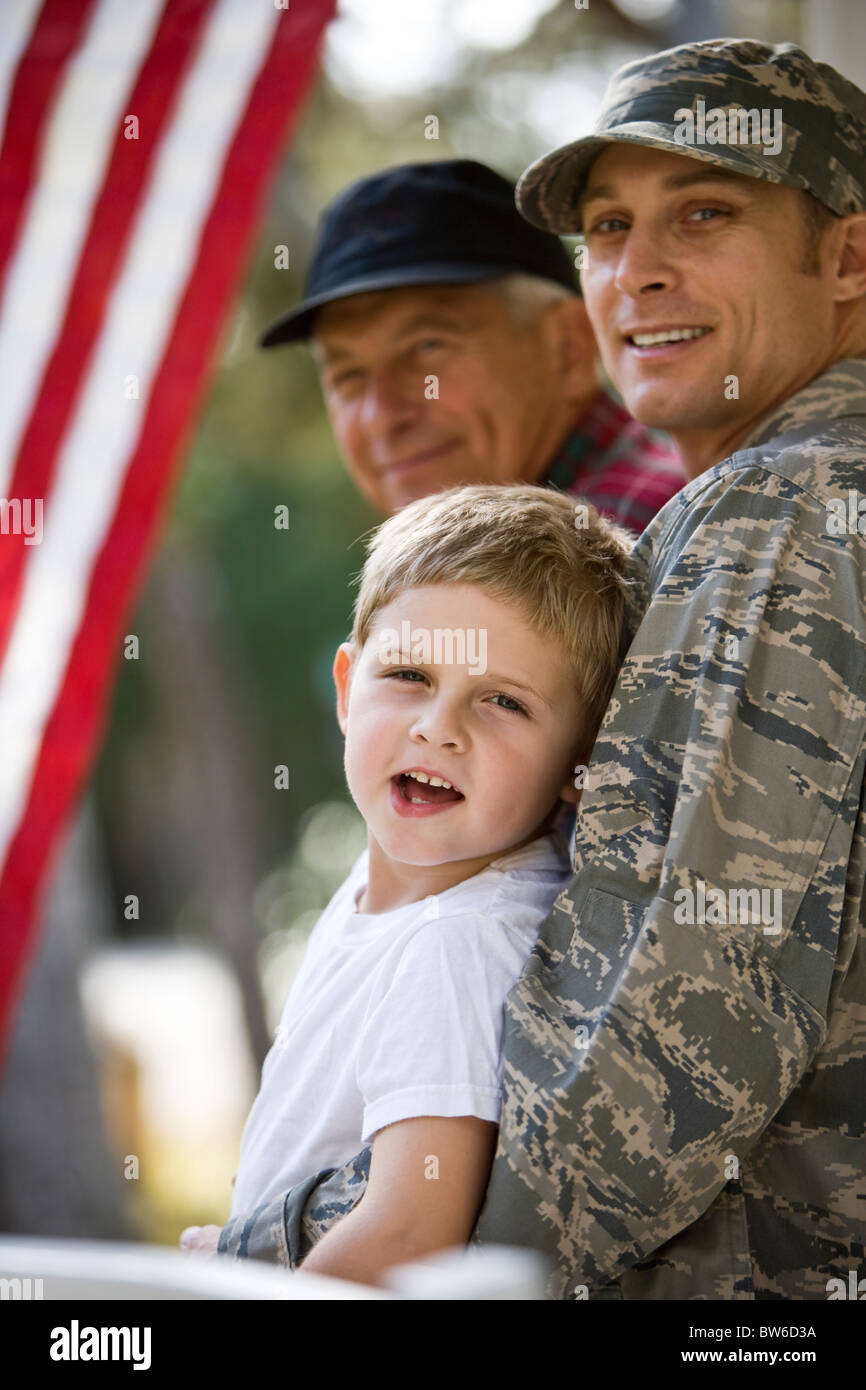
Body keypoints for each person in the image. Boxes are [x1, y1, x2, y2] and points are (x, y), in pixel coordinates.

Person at [214, 37, 866, 1301]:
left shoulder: (780, 513)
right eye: (608, 228)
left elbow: (674, 1040)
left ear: (847, 254)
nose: (635, 272)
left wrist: (277, 1252)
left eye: (704, 213)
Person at [181, 485, 632, 1284]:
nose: (438, 726)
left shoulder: (457, 944)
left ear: (579, 761)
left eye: (503, 702)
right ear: (348, 688)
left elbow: (411, 1231)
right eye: (411, 675)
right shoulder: (387, 882)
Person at [259, 159, 684, 530]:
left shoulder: (617, 548)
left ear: (568, 346)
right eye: (348, 375)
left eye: (426, 347)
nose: (381, 417)